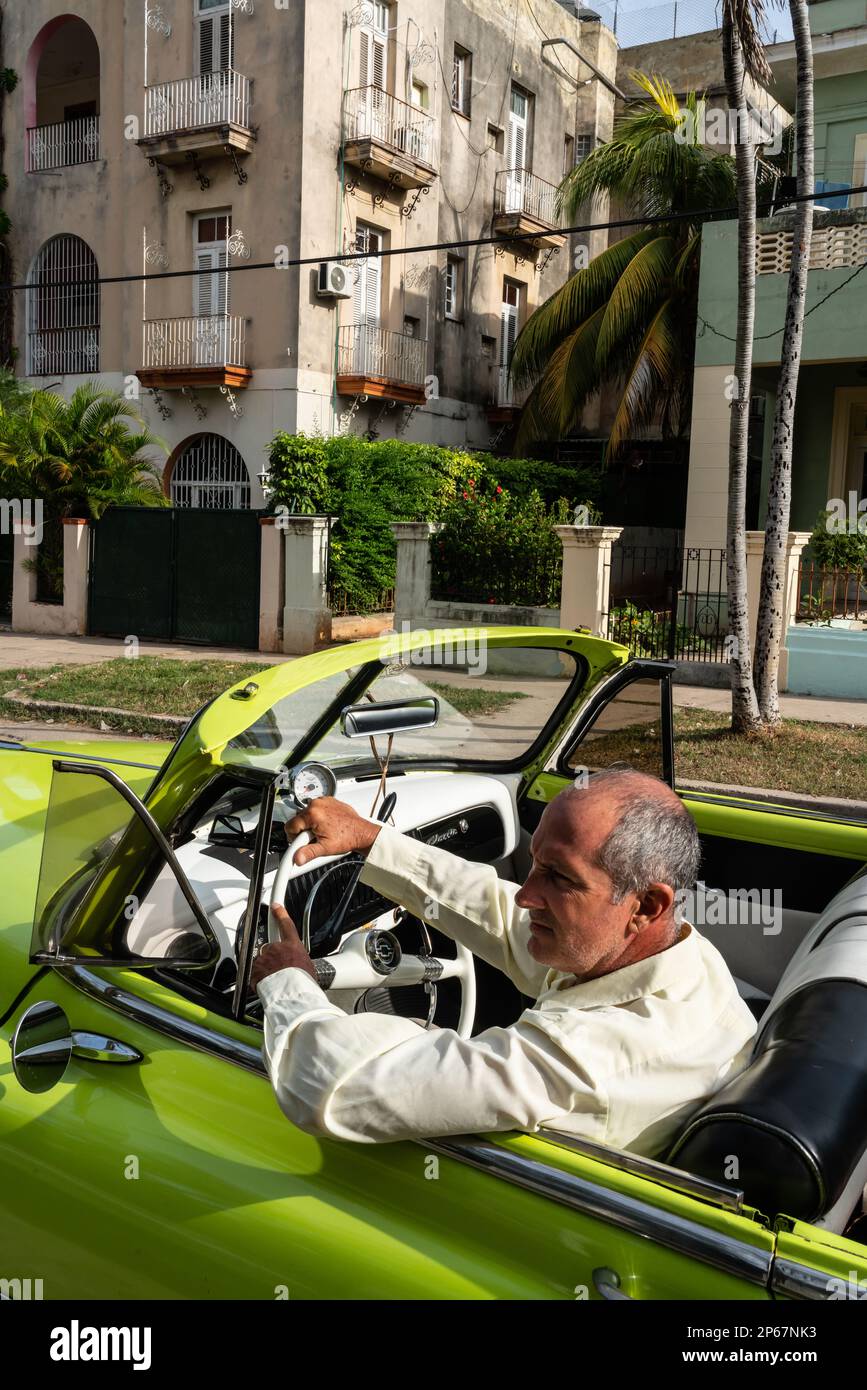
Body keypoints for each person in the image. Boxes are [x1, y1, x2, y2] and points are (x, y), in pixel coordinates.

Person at [251, 769, 757, 1154]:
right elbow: (498, 913)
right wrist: (370, 839)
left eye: (559, 878)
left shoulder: (587, 1060)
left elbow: (333, 1087)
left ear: (646, 906)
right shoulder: (682, 956)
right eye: (534, 863)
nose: (525, 895)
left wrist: (289, 984)